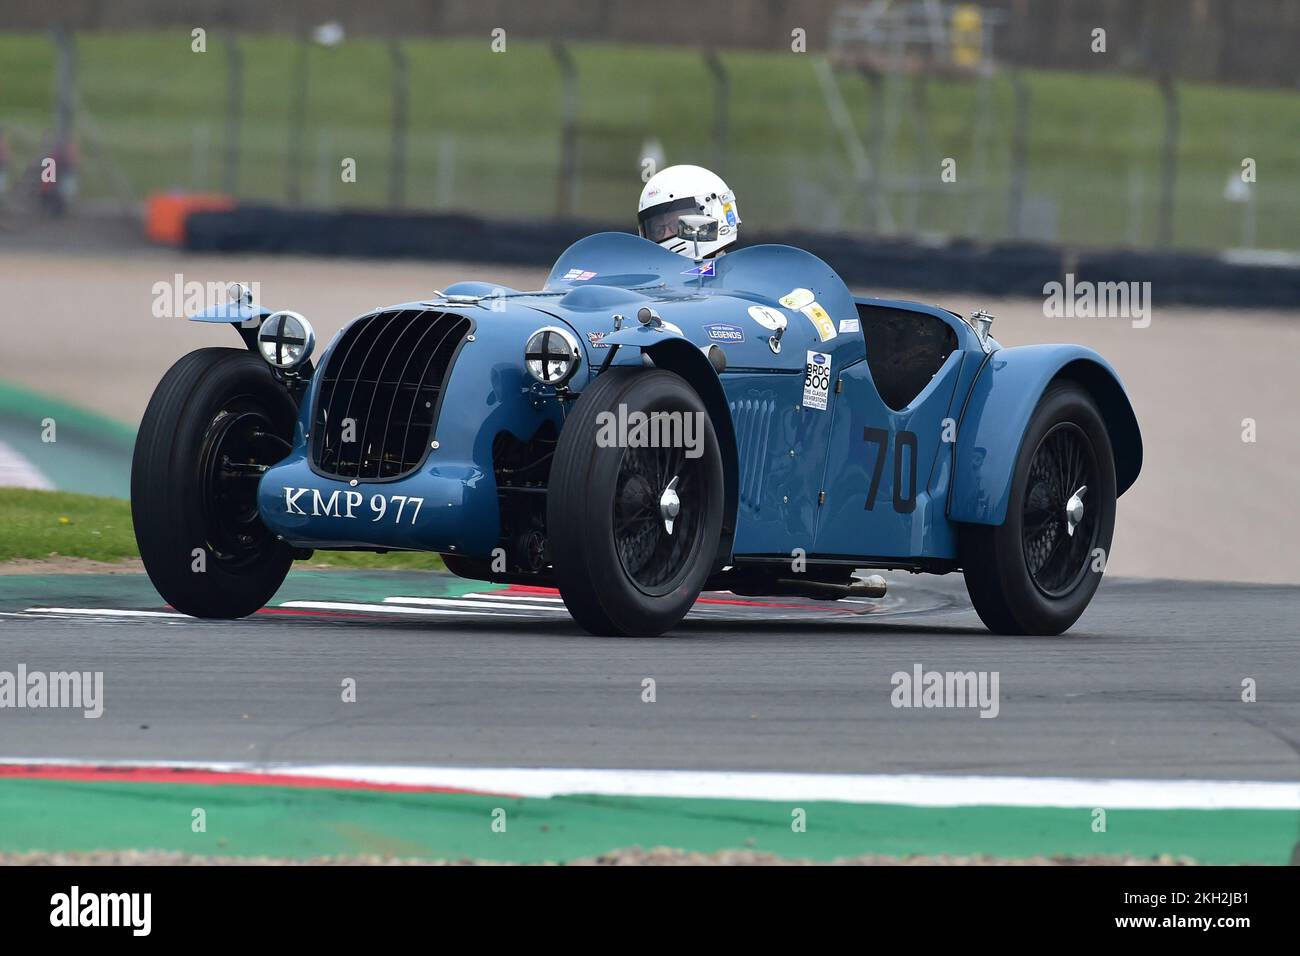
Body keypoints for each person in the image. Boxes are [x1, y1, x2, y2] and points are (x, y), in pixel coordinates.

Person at [636, 164, 740, 258]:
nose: (666, 235)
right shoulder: (657, 278)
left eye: (677, 226)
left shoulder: (741, 277)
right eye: (658, 231)